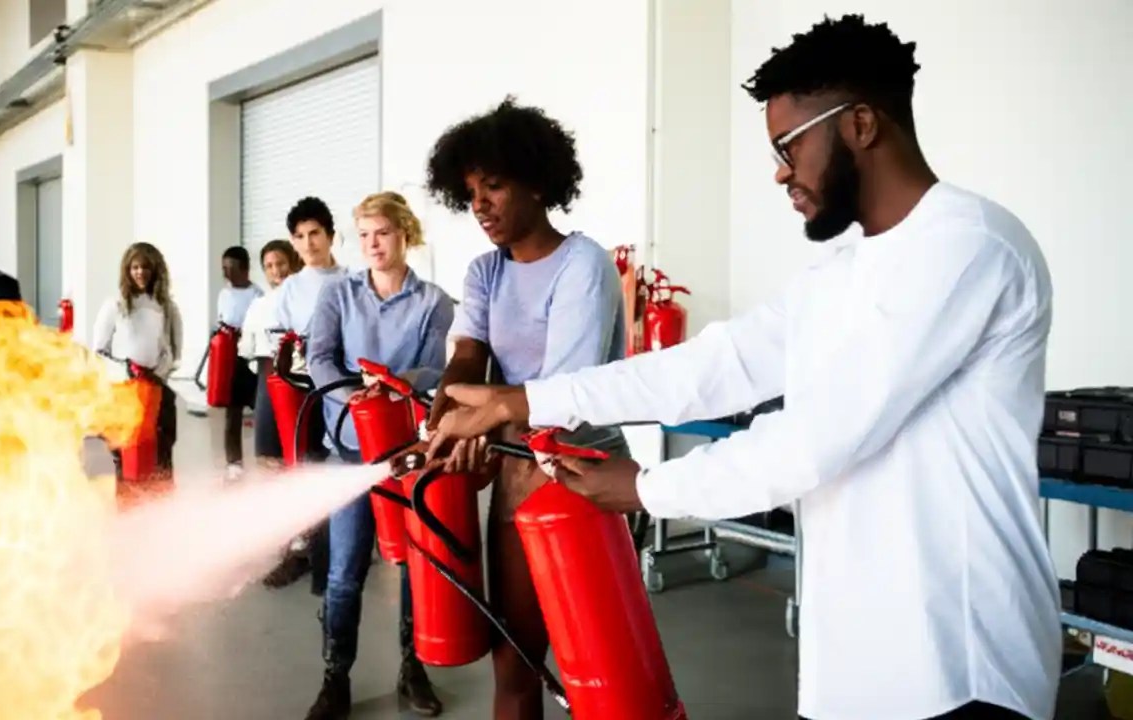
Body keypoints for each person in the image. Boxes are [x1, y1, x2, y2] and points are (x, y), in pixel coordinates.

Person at [428, 15, 1060, 720]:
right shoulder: (839, 275)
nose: (781, 171)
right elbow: (710, 366)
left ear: (860, 125)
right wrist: (524, 401)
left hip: (958, 664)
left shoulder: (966, 246)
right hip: (857, 661)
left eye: (789, 145)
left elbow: (817, 437)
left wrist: (647, 486)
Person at [421, 97, 628, 720]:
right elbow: (467, 358)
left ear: (538, 182)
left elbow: (562, 393)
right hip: (515, 474)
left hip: (579, 478)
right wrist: (442, 420)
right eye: (471, 191)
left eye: (494, 186)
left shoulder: (583, 265)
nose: (479, 203)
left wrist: (482, 427)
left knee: (600, 669)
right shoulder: (487, 271)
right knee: (514, 659)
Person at [301, 191, 453, 720]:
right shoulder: (337, 295)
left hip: (409, 452)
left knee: (415, 565)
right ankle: (335, 677)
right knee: (344, 572)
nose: (372, 244)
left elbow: (434, 368)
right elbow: (317, 358)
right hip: (350, 449)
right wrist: (352, 396)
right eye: (364, 235)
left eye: (382, 233)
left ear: (404, 233)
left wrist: (395, 387)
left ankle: (414, 667)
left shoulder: (434, 301)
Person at [261, 197, 347, 592]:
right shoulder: (289, 290)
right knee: (296, 467)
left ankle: (332, 556)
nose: (309, 243)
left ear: (330, 235)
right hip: (297, 388)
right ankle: (297, 549)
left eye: (315, 233)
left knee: (333, 468)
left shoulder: (351, 282)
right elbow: (276, 341)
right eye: (300, 236)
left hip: (339, 388)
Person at [92, 242, 184, 481]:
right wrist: (126, 369)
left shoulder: (167, 307)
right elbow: (99, 350)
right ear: (127, 270)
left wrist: (157, 373)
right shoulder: (115, 305)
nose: (140, 272)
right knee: (124, 453)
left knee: (160, 452)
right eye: (135, 267)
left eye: (145, 267)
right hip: (122, 391)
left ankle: (161, 502)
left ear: (156, 270)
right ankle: (128, 504)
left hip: (156, 389)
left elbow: (174, 351)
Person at [238, 239, 303, 468]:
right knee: (268, 454)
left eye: (281, 263)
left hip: (302, 379)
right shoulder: (259, 305)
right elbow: (246, 347)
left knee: (300, 449)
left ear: (294, 262)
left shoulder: (305, 300)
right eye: (269, 266)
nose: (276, 271)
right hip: (268, 377)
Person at [217, 245, 265, 481]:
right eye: (223, 268)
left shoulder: (257, 295)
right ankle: (233, 461)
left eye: (231, 268)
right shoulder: (224, 294)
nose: (226, 274)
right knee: (232, 411)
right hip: (231, 358)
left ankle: (266, 457)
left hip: (253, 357)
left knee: (261, 408)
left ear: (245, 269)